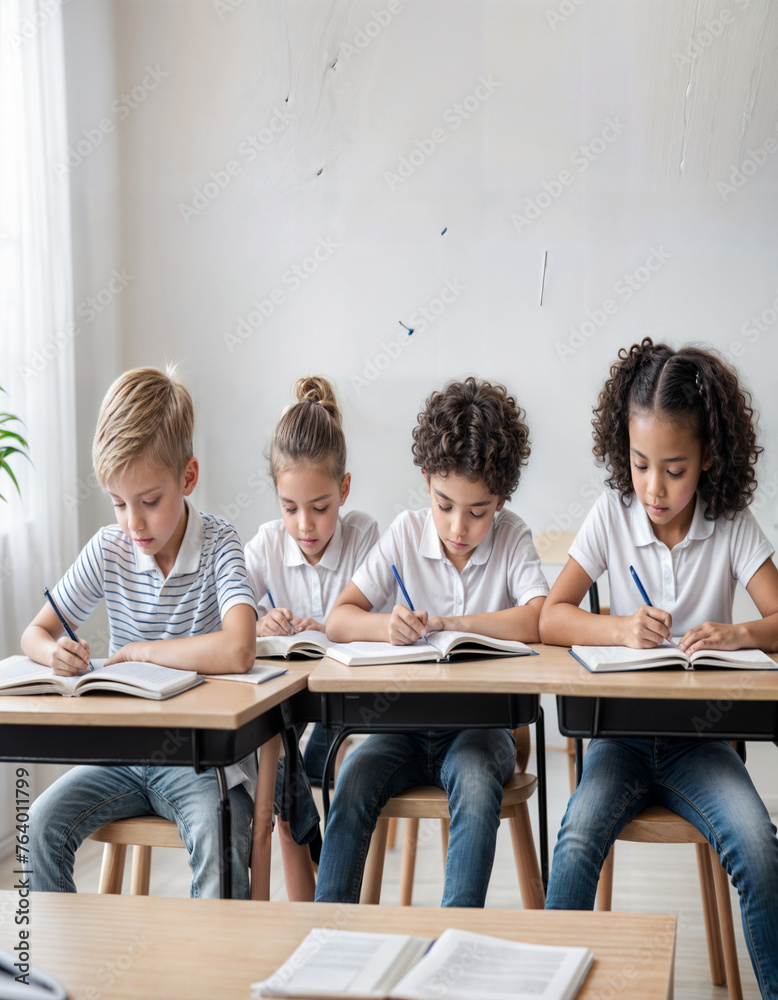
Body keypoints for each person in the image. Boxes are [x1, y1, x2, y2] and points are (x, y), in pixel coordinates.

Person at [540, 338, 778, 999]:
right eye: (640, 464)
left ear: (708, 457)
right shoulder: (612, 516)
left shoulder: (729, 523)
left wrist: (739, 633)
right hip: (617, 739)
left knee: (758, 847)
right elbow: (551, 617)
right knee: (575, 843)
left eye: (674, 469)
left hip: (701, 741)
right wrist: (619, 627)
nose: (653, 487)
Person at [315, 377, 548, 907]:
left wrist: (452, 624)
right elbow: (339, 620)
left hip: (483, 728)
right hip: (403, 724)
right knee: (353, 778)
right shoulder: (404, 533)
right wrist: (385, 626)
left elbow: (539, 619)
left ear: (501, 499)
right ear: (426, 481)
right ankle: (330, 931)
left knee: (474, 781)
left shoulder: (512, 536)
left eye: (478, 511)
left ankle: (455, 933)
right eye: (444, 505)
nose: (458, 527)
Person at [25, 366, 258, 898]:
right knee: (39, 825)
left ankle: (211, 955)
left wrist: (144, 653)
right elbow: (36, 632)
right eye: (118, 502)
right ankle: (61, 957)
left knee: (219, 833)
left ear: (188, 477)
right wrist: (55, 651)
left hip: (200, 762)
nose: (133, 522)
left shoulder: (220, 543)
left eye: (149, 501)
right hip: (122, 755)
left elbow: (240, 647)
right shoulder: (109, 549)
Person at [245, 375, 378, 900]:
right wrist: (259, 625)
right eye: (289, 508)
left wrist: (333, 627)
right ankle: (311, 905)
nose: (304, 525)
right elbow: (227, 619)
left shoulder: (365, 537)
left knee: (291, 766)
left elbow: (385, 627)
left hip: (350, 701)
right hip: (288, 704)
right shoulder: (264, 545)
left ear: (344, 490)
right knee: (278, 758)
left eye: (320, 508)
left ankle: (321, 879)